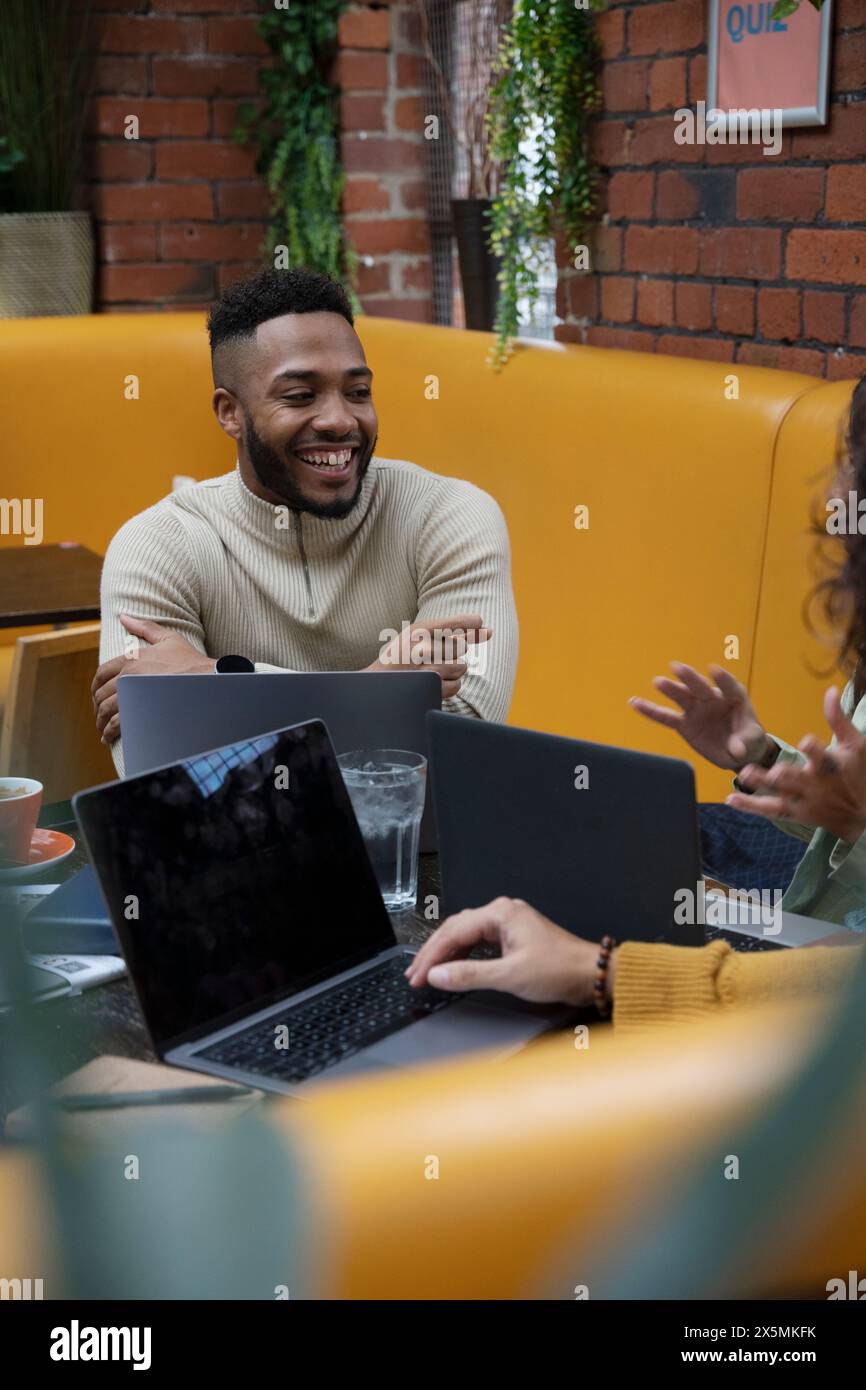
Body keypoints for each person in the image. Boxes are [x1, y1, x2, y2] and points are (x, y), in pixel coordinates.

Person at [409, 379, 866, 1027]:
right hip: (820, 897)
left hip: (824, 962)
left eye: (848, 459)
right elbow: (846, 799)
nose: (832, 491)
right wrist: (766, 759)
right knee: (652, 829)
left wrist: (594, 972)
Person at [91, 267, 518, 770]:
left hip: (414, 848)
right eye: (299, 396)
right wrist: (383, 690)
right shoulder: (155, 544)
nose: (340, 420)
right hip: (233, 851)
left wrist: (219, 679)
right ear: (230, 412)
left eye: (358, 392)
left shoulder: (451, 517)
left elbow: (462, 736)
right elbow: (160, 771)